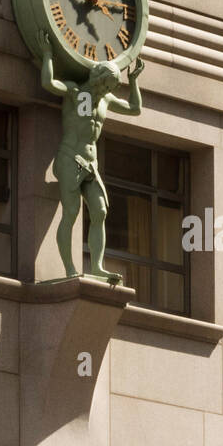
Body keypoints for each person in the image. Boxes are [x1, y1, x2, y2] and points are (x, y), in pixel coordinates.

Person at [37, 31, 144, 282]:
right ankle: (70, 269)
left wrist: (134, 81)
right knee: (71, 212)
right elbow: (49, 83)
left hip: (91, 162)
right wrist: (47, 55)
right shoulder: (78, 92)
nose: (109, 89)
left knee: (99, 212)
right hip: (70, 157)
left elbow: (135, 109)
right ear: (98, 79)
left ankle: (96, 266)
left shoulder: (104, 99)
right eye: (107, 84)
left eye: (112, 86)